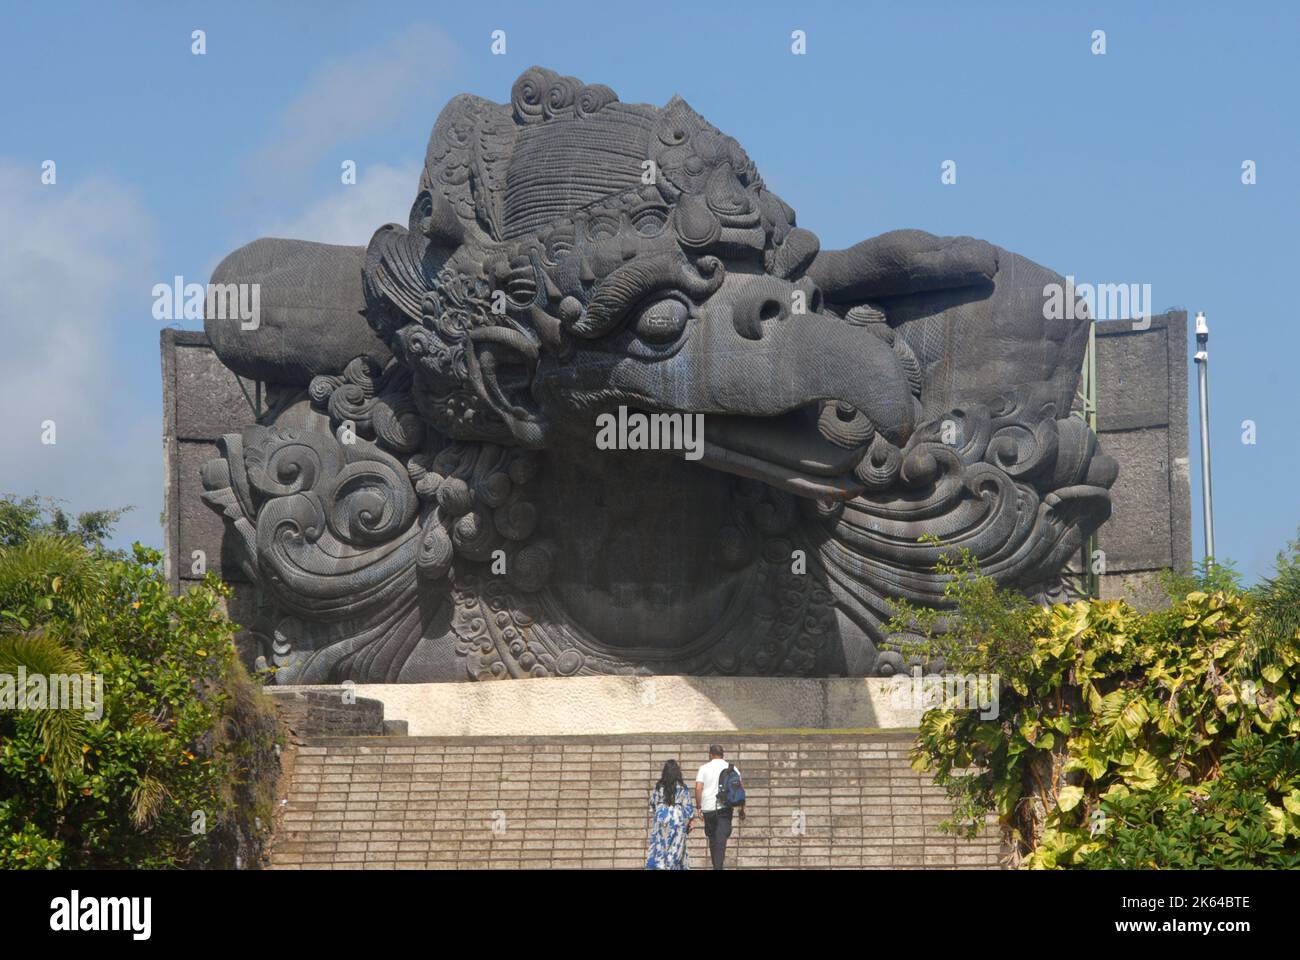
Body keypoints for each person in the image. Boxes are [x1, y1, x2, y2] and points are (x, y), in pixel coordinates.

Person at [694, 744, 743, 870]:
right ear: (723, 755)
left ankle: (717, 866)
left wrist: (698, 807)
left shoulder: (704, 768)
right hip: (725, 807)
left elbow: (698, 788)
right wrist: (742, 808)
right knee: (721, 838)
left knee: (713, 838)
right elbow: (739, 788)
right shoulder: (732, 768)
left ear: (710, 754)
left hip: (708, 808)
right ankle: (717, 866)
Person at [645, 759, 694, 870]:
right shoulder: (682, 787)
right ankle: (671, 866)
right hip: (676, 816)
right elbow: (688, 807)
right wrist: (691, 820)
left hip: (661, 814)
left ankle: (660, 866)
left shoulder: (659, 785)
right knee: (676, 846)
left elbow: (652, 804)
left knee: (660, 844)